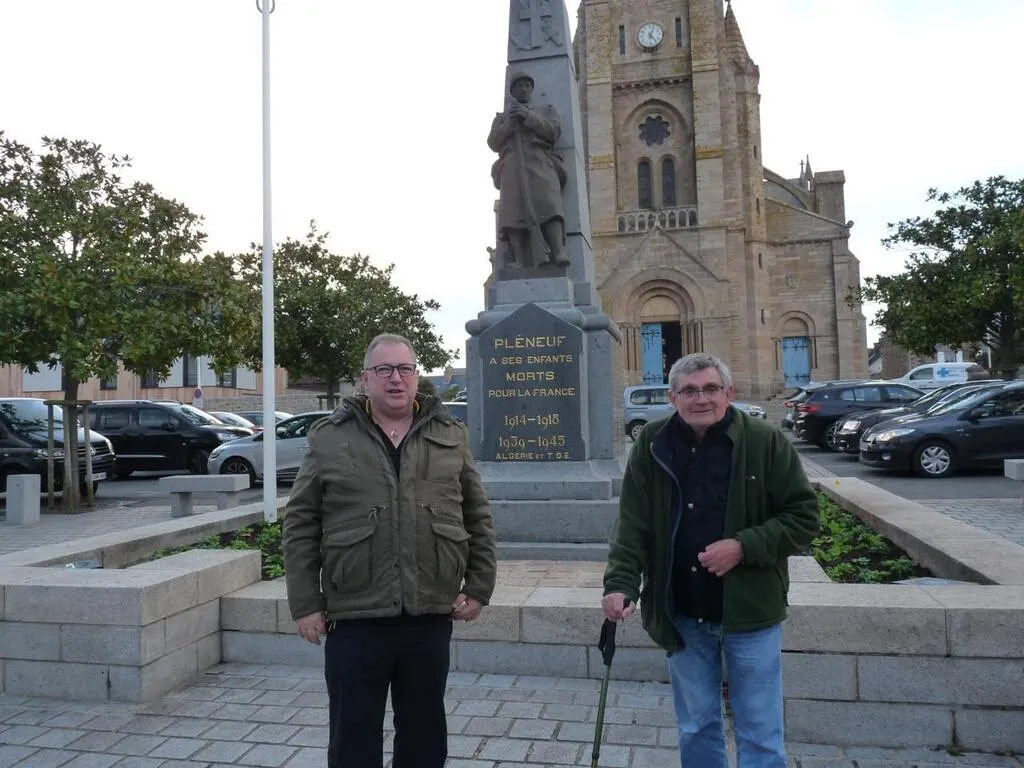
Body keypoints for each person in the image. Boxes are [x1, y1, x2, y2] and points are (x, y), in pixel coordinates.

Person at [282, 333, 497, 768]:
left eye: (404, 369)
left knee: (423, 734)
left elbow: (477, 516)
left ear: (417, 378)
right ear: (365, 379)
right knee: (353, 737)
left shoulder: (450, 435)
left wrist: (479, 586)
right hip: (357, 614)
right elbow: (301, 524)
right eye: (384, 370)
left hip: (428, 612)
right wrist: (306, 604)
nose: (395, 379)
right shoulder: (329, 437)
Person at [601, 352, 820, 768]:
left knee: (760, 730)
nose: (701, 399)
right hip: (683, 611)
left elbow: (804, 518)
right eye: (689, 391)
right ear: (673, 397)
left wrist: (744, 546)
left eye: (710, 389)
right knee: (696, 727)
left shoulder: (764, 440)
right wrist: (620, 583)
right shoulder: (653, 442)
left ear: (728, 393)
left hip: (750, 611)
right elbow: (633, 523)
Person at [487, 72, 568, 268]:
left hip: (540, 161)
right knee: (512, 212)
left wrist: (527, 117)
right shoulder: (502, 118)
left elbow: (553, 132)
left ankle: (558, 251)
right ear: (512, 91)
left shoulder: (545, 111)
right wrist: (511, 123)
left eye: (527, 86)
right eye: (519, 86)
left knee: (550, 205)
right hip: (512, 165)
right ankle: (520, 259)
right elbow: (493, 142)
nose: (524, 89)